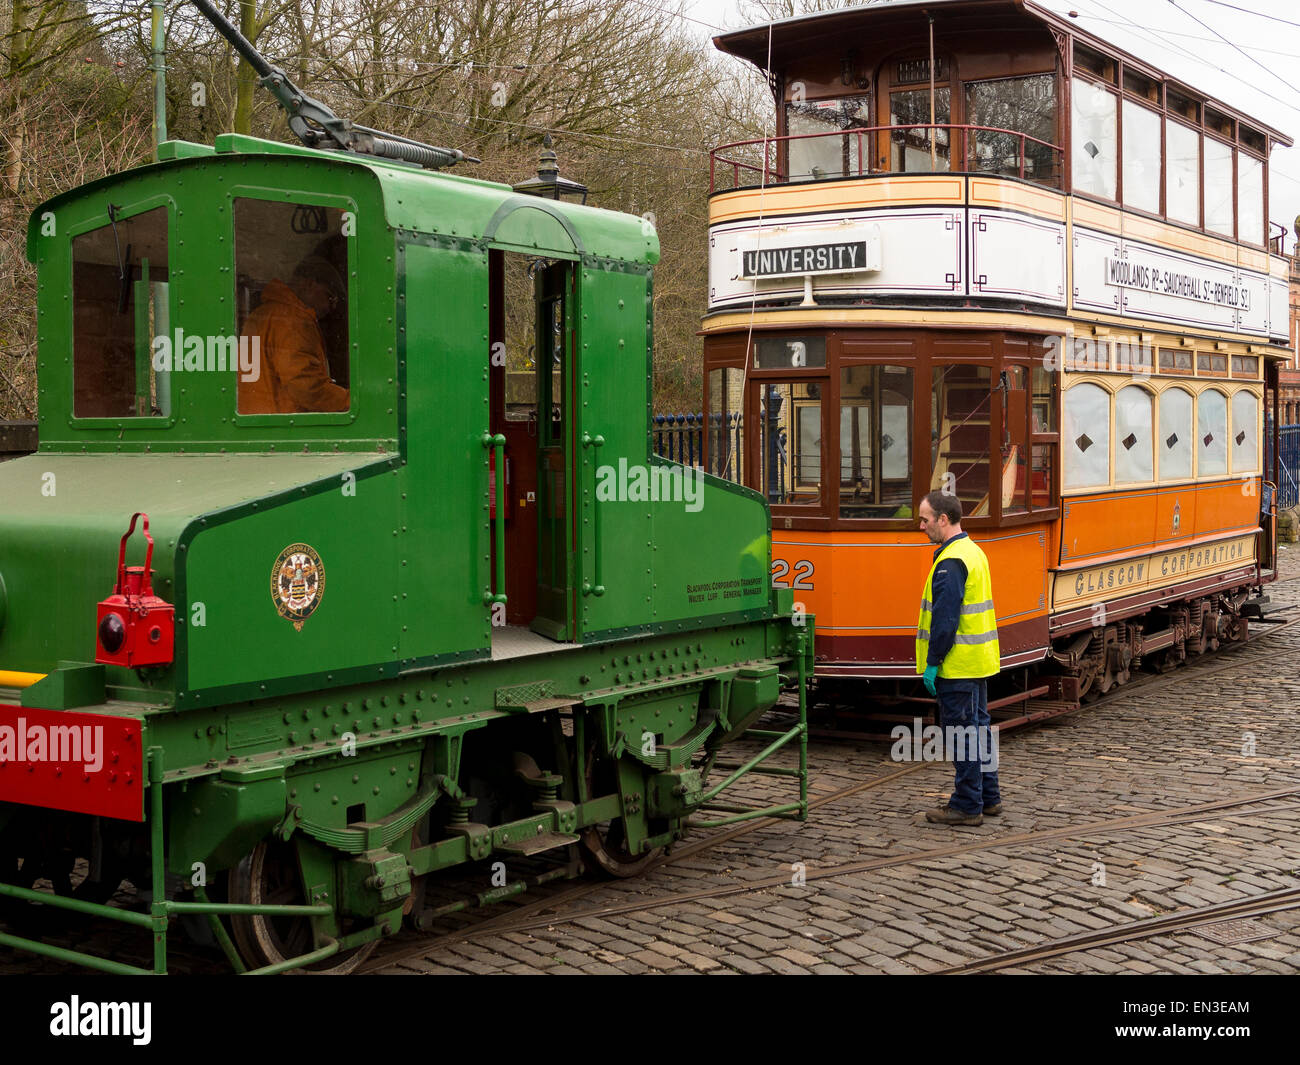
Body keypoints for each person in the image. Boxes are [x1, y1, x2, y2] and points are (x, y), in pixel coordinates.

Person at [915, 489, 1002, 826]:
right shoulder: (972, 551)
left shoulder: (950, 563)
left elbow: (945, 621)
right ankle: (989, 797)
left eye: (925, 520)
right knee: (979, 731)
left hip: (957, 666)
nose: (921, 526)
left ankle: (967, 805)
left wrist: (934, 662)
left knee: (962, 734)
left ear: (943, 519)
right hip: (977, 661)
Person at [238, 256, 349, 414]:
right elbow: (306, 387)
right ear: (309, 284)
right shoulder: (292, 320)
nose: (330, 308)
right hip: (282, 425)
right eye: (330, 298)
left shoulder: (263, 313)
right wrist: (351, 400)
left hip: (260, 419)